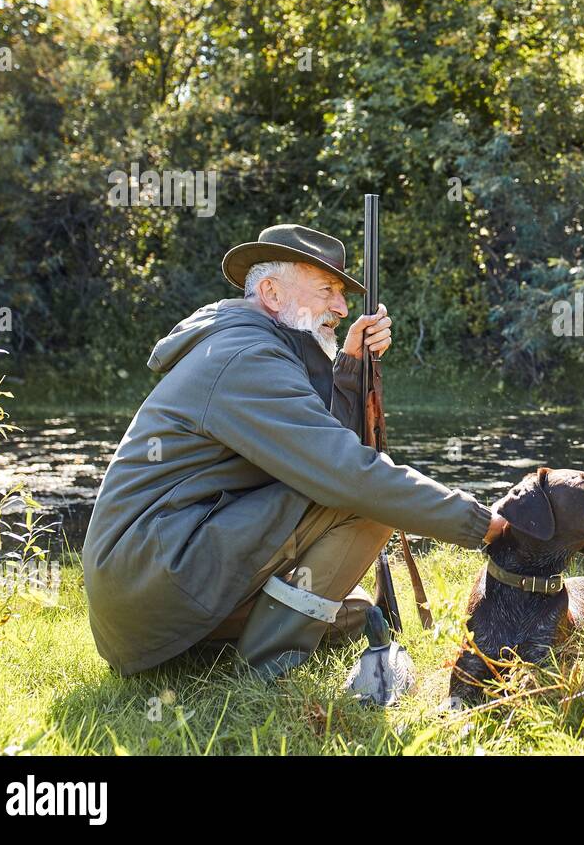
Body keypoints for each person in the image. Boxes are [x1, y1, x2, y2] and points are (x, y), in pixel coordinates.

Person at [81, 223, 507, 690]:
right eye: (327, 290)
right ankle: (263, 672)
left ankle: (212, 646)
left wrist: (347, 366)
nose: (342, 308)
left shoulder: (251, 342)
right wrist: (482, 525)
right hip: (154, 582)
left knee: (355, 612)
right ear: (271, 291)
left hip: (148, 581)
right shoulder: (246, 358)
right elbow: (345, 475)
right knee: (368, 506)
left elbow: (319, 450)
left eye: (343, 294)